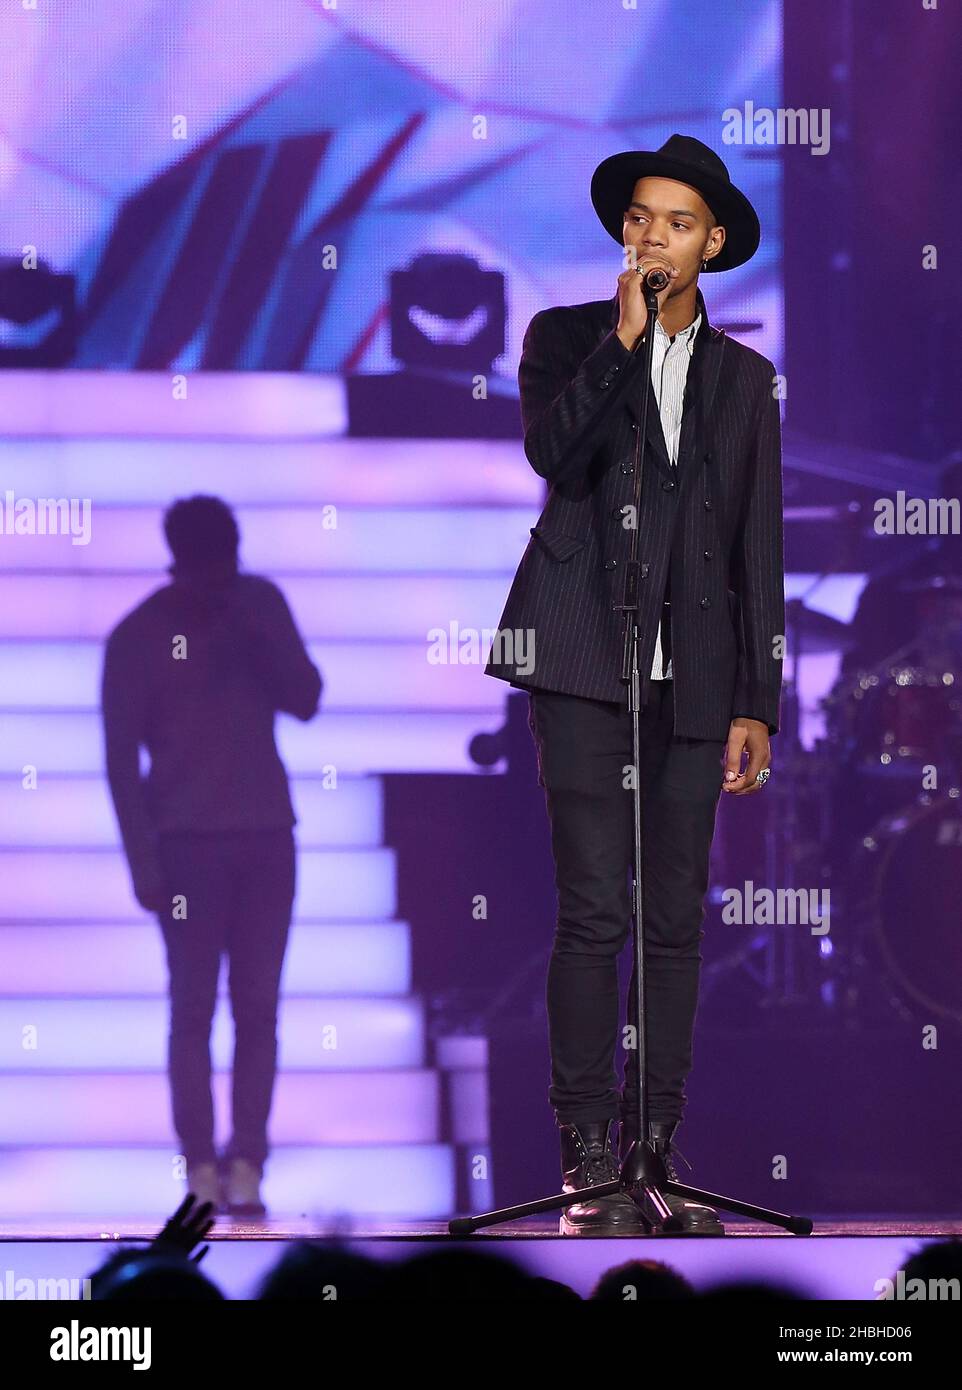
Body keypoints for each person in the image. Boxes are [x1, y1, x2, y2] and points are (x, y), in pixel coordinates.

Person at [485, 135, 784, 1234]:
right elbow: (553, 458)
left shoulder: (743, 379)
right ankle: (585, 1162)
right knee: (593, 913)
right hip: (576, 661)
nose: (649, 234)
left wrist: (756, 699)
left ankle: (656, 1153)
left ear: (711, 244)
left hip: (696, 678)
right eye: (638, 218)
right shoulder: (562, 338)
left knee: (671, 924)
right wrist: (619, 346)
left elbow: (757, 546)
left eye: (674, 221)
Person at [102, 495, 322, 1217]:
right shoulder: (137, 634)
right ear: (180, 561)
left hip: (265, 838)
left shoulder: (260, 603)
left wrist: (256, 635)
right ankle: (199, 1164)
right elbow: (118, 758)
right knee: (192, 1008)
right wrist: (142, 860)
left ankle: (248, 1159)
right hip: (185, 846)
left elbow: (307, 697)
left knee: (258, 1007)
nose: (216, 582)